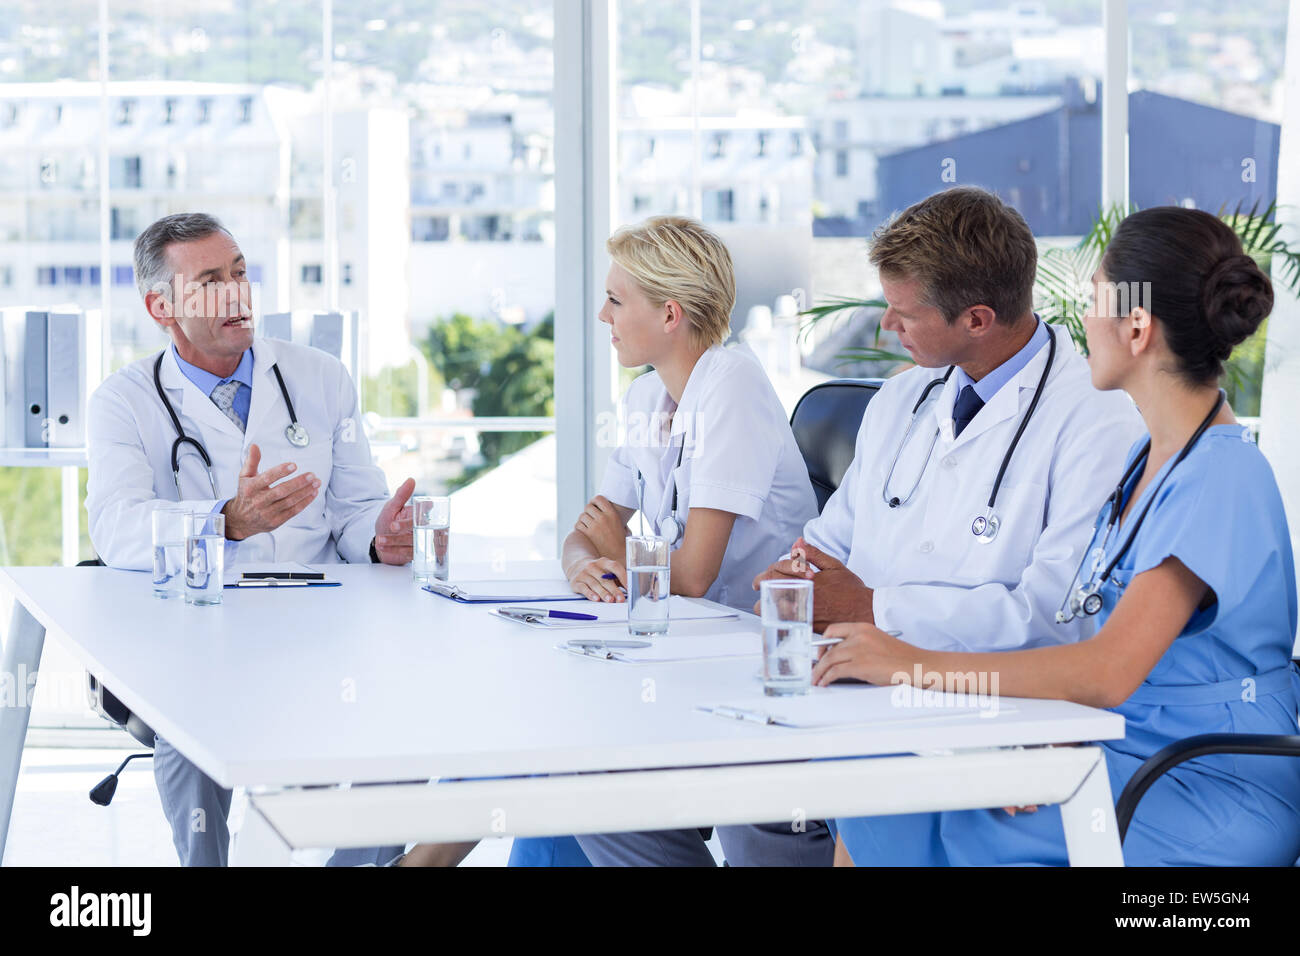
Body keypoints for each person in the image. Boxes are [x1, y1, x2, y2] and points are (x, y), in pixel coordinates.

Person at [578, 186, 1145, 866]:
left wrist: (877, 610)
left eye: (905, 314)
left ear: (977, 318)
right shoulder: (904, 398)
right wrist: (799, 574)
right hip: (848, 681)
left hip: (968, 700)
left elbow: (1060, 615)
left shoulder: (1095, 419)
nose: (885, 328)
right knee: (606, 787)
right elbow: (826, 543)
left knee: (754, 803)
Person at [820, 206, 1300, 867]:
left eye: (1094, 300)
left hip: (1201, 783)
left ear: (1137, 327)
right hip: (1120, 748)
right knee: (884, 796)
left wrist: (904, 662)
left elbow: (1105, 671)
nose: (1078, 326)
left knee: (912, 809)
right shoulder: (1153, 460)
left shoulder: (1220, 475)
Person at [396, 215, 818, 868]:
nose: (602, 314)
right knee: (547, 728)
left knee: (557, 738)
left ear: (671, 313)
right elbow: (586, 533)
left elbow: (696, 574)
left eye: (617, 300)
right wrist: (590, 562)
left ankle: (419, 862)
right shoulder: (648, 398)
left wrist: (612, 557)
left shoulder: (732, 385)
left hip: (743, 671)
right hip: (681, 652)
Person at [85, 212, 415, 867]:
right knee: (186, 733)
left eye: (240, 272)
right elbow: (116, 527)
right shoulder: (122, 402)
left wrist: (381, 540)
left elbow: (355, 509)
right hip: (205, 631)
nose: (237, 292)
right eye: (211, 280)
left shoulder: (319, 377)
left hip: (322, 624)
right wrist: (225, 523)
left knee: (397, 728)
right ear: (162, 305)